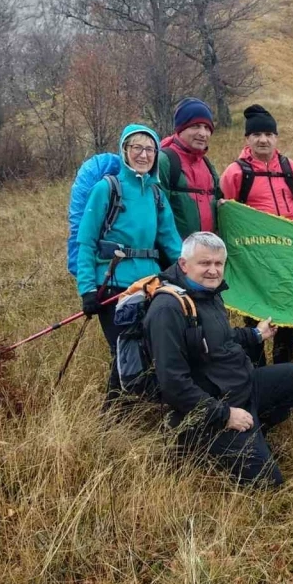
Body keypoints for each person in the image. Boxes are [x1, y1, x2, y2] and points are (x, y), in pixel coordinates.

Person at [143, 232, 293, 487]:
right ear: (183, 264)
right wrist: (224, 415)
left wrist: (256, 334)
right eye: (204, 263)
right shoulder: (168, 310)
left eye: (218, 264)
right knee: (268, 481)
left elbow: (221, 338)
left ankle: (253, 428)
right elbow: (174, 384)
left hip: (243, 386)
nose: (213, 271)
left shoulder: (209, 293)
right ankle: (201, 438)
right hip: (216, 403)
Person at [75, 124, 183, 406]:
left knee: (147, 347)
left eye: (150, 149)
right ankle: (113, 415)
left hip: (148, 285)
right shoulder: (107, 189)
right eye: (136, 147)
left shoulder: (157, 195)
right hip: (112, 285)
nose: (143, 155)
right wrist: (87, 290)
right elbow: (85, 242)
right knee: (124, 347)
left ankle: (132, 408)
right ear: (124, 151)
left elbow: (171, 242)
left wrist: (193, 272)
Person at [220, 104, 293, 366]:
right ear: (247, 139)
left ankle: (285, 371)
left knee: (287, 316)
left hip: (288, 260)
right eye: (257, 135)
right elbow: (226, 217)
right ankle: (256, 371)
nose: (263, 140)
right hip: (254, 263)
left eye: (269, 134)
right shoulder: (236, 173)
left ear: (276, 137)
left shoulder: (290, 169)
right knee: (255, 317)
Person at [157, 97, 220, 238]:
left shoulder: (208, 165)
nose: (203, 134)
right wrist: (175, 256)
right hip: (176, 256)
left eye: (207, 128)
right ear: (180, 129)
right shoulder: (164, 161)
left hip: (206, 254)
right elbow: (157, 216)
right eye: (195, 126)